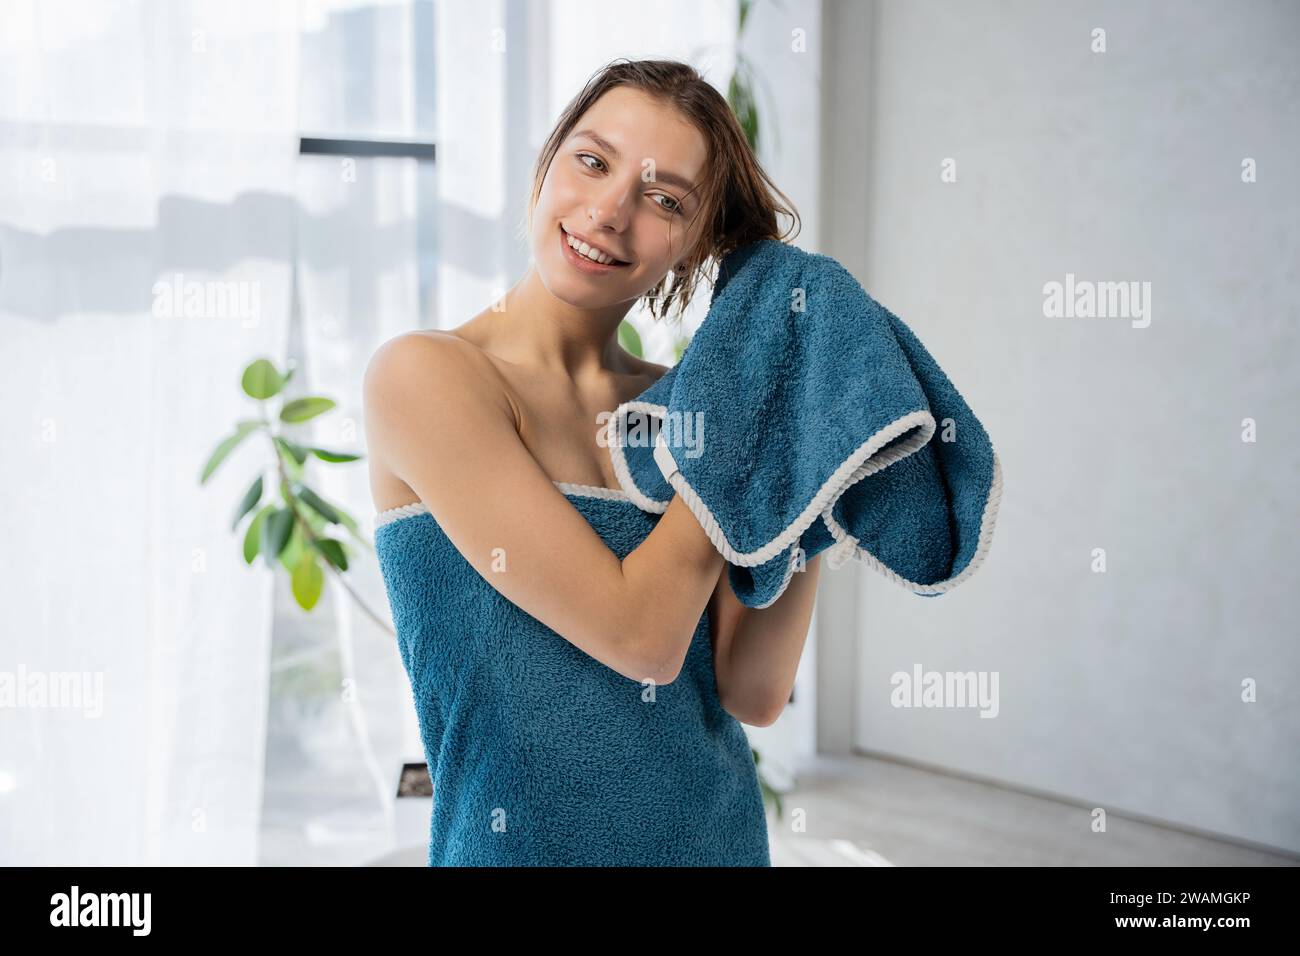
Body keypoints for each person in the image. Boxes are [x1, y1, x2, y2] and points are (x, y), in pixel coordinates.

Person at [363, 58, 821, 866]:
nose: (610, 212)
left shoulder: (685, 406)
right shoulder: (426, 377)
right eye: (592, 160)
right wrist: (742, 429)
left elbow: (753, 691)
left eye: (665, 199)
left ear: (696, 246)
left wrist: (817, 463)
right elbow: (641, 636)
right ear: (546, 162)